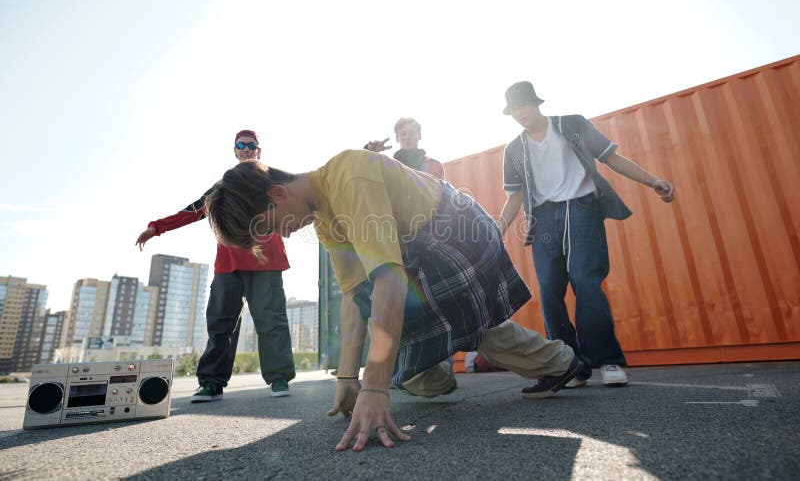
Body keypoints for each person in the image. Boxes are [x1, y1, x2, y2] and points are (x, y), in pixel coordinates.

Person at [203, 149, 582, 452]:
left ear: (278, 193)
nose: (281, 235)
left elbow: (389, 279)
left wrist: (375, 387)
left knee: (456, 326)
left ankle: (556, 359)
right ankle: (456, 355)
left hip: (453, 235)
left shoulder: (349, 173)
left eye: (271, 226)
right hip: (420, 256)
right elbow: (354, 296)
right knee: (416, 376)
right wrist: (350, 377)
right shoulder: (322, 218)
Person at [497, 81, 676, 388]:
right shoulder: (514, 150)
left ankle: (608, 361)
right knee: (550, 291)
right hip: (543, 220)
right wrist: (497, 230)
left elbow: (611, 157)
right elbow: (514, 197)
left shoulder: (573, 125)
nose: (520, 114)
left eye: (524, 106)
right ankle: (569, 365)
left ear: (536, 103)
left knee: (585, 279)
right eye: (514, 110)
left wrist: (652, 181)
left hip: (581, 210)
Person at [135, 129, 295, 401]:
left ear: (259, 150)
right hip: (228, 263)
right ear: (235, 151)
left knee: (271, 321)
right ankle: (211, 383)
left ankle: (279, 378)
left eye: (251, 145)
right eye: (241, 145)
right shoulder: (225, 184)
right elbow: (193, 210)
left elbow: (311, 190)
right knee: (220, 323)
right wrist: (156, 227)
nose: (246, 149)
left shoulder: (275, 179)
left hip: (266, 261)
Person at [364, 117, 445, 179]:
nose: (407, 137)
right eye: (403, 134)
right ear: (397, 138)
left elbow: (440, 195)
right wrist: (369, 150)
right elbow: (367, 175)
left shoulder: (434, 165)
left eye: (412, 133)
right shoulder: (389, 166)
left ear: (419, 136)